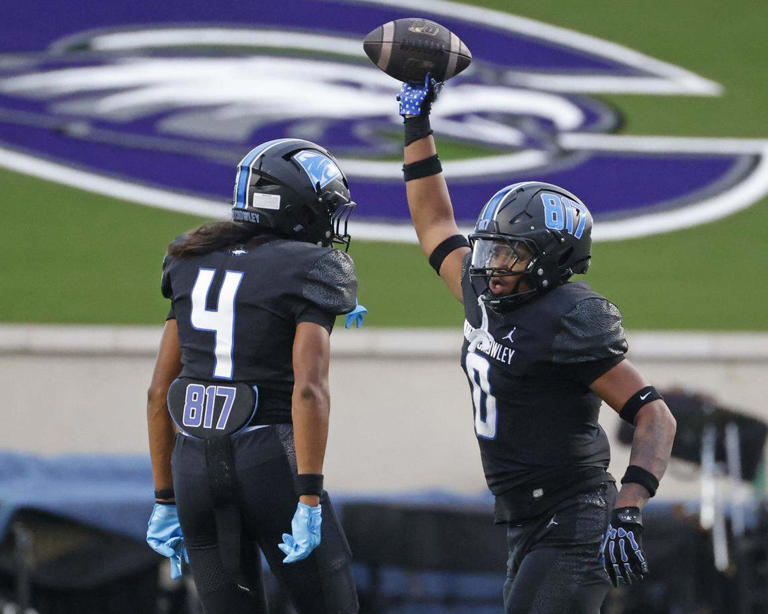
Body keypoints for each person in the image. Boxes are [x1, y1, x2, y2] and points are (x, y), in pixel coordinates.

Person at [395, 77, 677, 613]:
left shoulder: (567, 317)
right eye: (493, 249)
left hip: (574, 517)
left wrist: (630, 507)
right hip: (524, 519)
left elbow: (655, 416)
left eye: (511, 254)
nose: (494, 265)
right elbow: (434, 221)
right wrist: (416, 123)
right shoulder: (483, 290)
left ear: (551, 262)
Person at [145, 138, 362, 614]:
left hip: (193, 464)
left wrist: (165, 496)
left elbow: (160, 390)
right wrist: (307, 495)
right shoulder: (313, 267)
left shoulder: (190, 255)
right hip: (268, 461)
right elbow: (308, 389)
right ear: (297, 207)